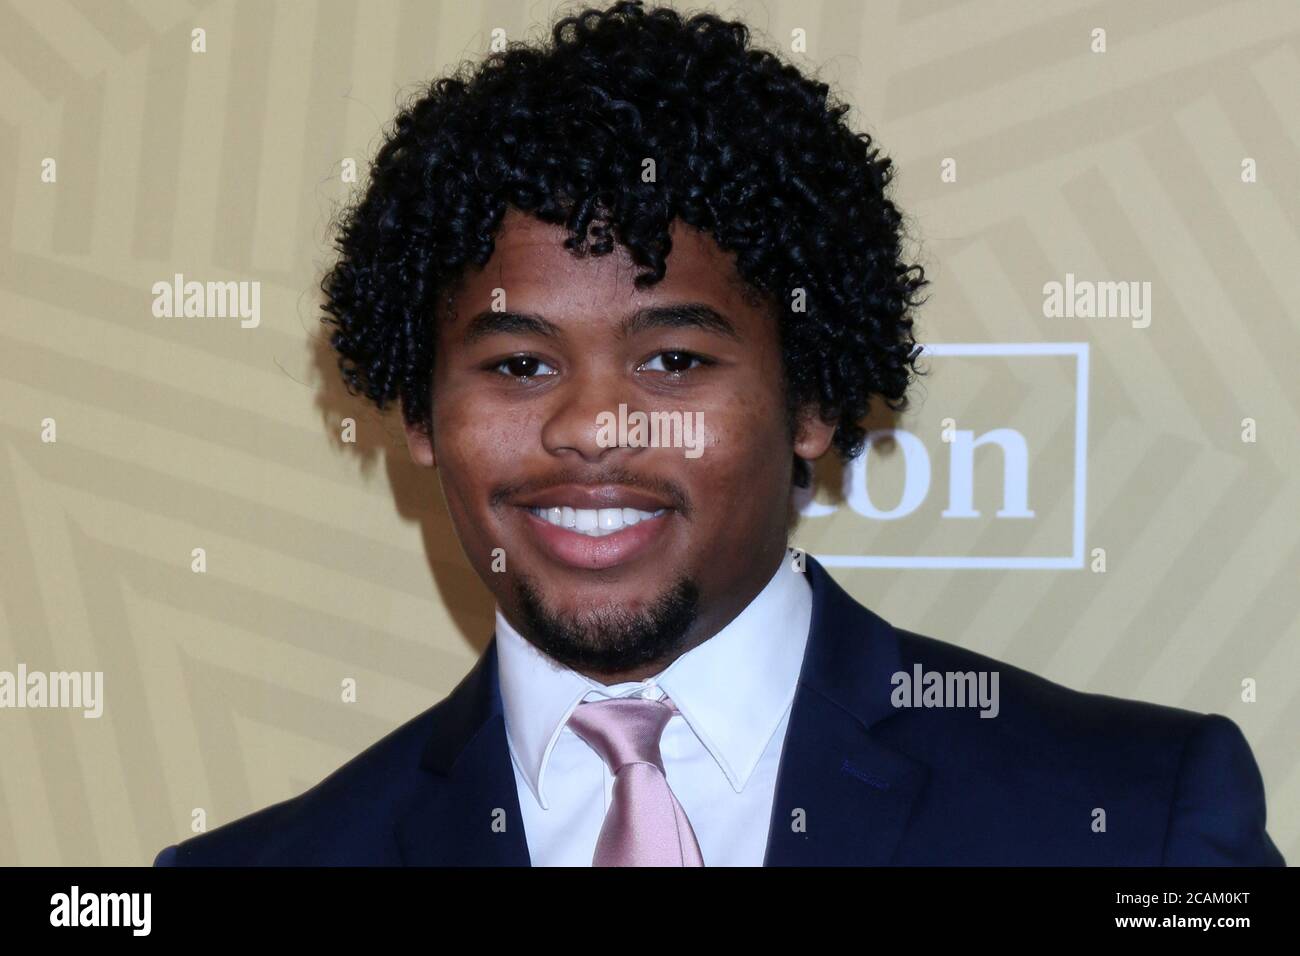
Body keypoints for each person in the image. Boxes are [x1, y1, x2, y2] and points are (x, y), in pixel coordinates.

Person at [154, 1, 1284, 866]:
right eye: (517, 364)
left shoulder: (1135, 819)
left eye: (674, 359)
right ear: (419, 414)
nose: (592, 424)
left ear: (813, 401)